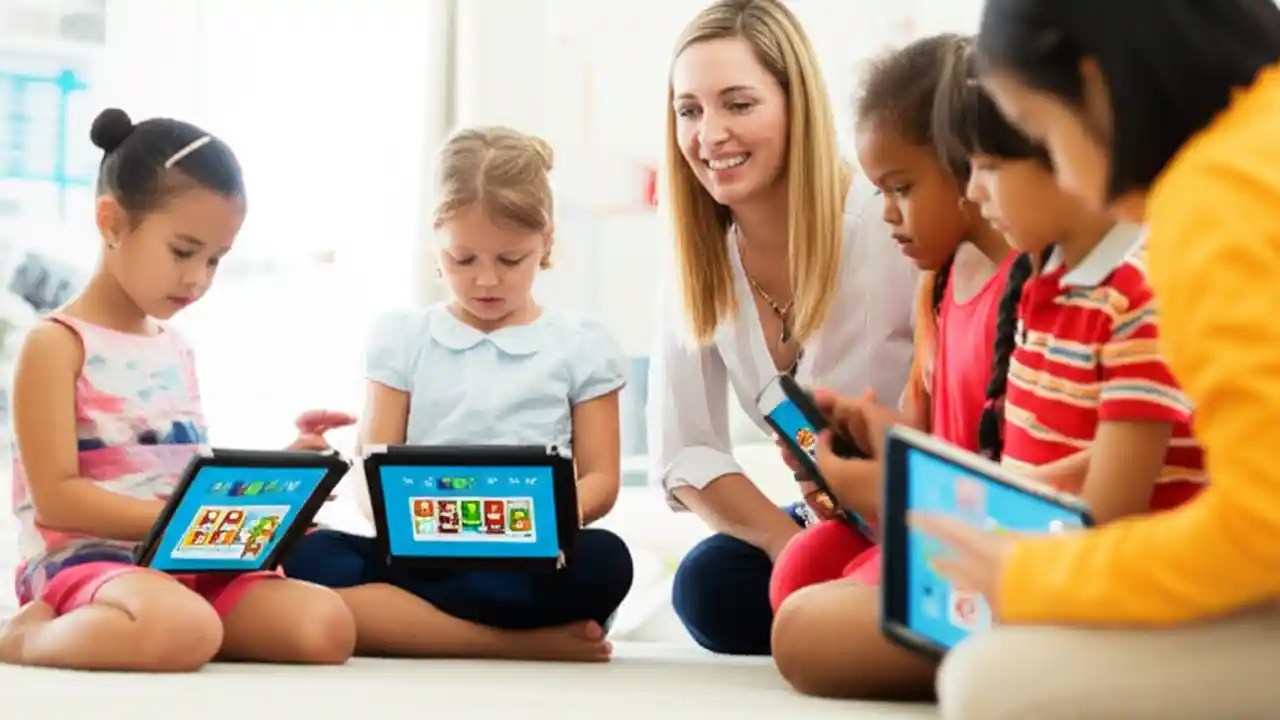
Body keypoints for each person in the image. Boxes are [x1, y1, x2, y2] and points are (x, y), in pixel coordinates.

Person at [913, 1, 1280, 717]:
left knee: (986, 681)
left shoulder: (1211, 201)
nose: (1073, 182)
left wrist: (1035, 578)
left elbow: (1260, 529)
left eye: (1043, 133)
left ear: (1096, 86)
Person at [0, 108, 357, 671]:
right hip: (90, 562)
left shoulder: (176, 345)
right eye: (183, 252)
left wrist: (281, 476)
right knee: (181, 627)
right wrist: (185, 516)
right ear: (111, 221)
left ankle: (176, 625)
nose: (199, 279)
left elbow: (179, 472)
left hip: (183, 553)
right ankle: (24, 639)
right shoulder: (55, 344)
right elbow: (57, 500)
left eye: (215, 260)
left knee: (325, 626)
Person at [283, 126, 633, 663]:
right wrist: (410, 525)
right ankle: (517, 643)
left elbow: (601, 480)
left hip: (529, 554)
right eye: (463, 259)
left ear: (546, 242)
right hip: (421, 553)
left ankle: (404, 622)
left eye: (510, 260)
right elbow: (370, 470)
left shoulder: (580, 344)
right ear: (435, 243)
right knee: (311, 554)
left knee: (608, 560)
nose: (486, 281)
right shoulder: (402, 337)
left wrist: (540, 525)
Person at [649, 0, 918, 656]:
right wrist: (783, 540)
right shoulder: (697, 258)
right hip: (828, 521)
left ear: (797, 104)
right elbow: (685, 451)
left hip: (913, 509)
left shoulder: (887, 226)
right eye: (690, 110)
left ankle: (856, 607)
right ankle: (840, 603)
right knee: (707, 587)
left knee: (818, 586)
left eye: (738, 105)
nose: (709, 135)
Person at [767, 33, 1014, 698]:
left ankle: (978, 648)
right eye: (879, 190)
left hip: (988, 540)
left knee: (803, 628)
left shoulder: (1026, 291)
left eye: (902, 187)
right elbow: (923, 434)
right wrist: (858, 442)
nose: (888, 215)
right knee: (800, 569)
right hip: (936, 524)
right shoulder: (935, 288)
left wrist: (888, 487)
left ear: (970, 167)